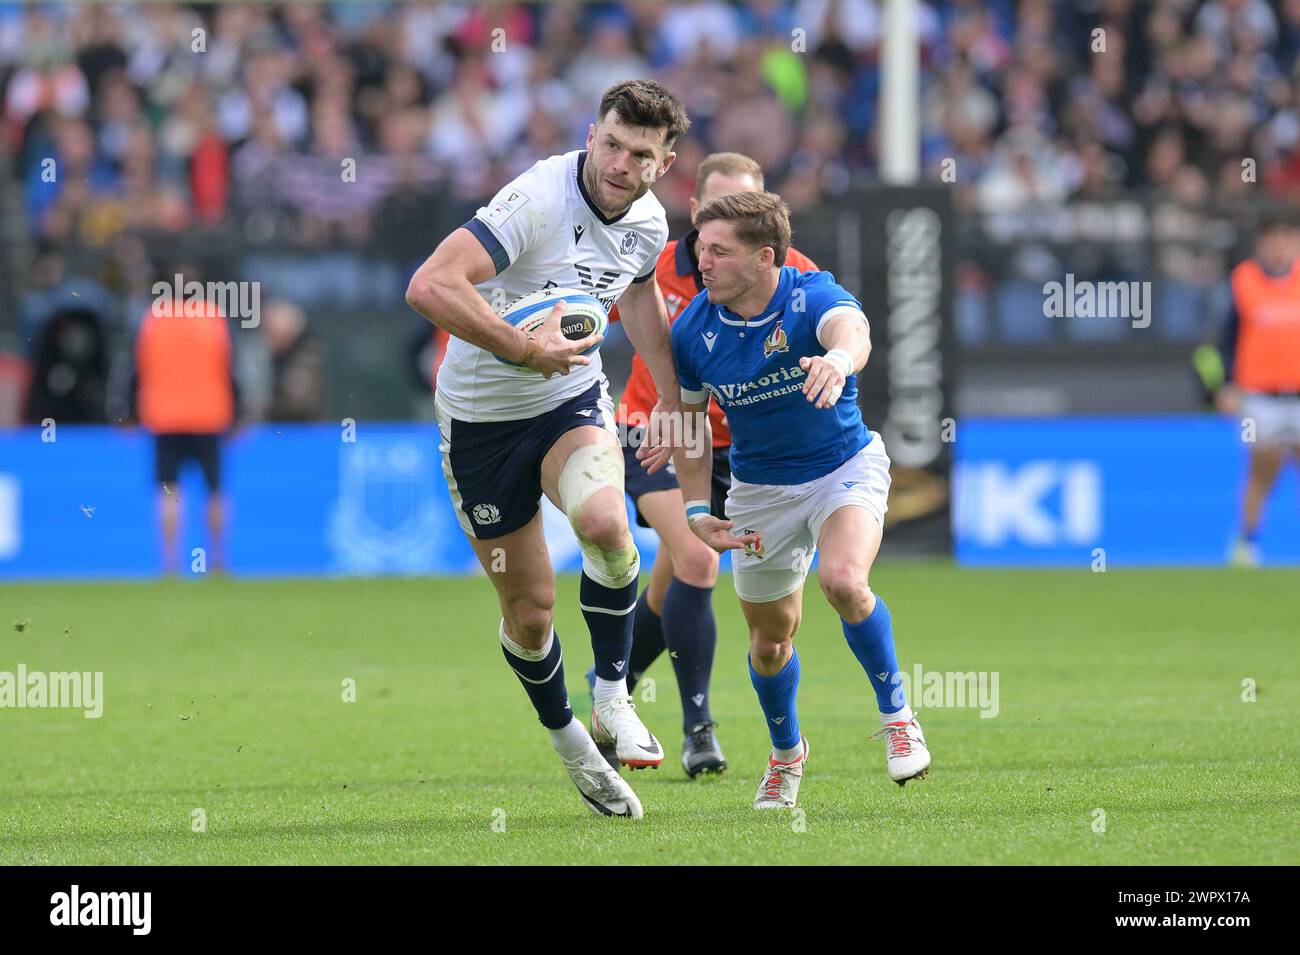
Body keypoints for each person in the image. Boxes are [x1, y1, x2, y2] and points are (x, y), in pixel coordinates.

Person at [405, 80, 690, 820]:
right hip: (479, 421)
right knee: (531, 614)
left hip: (569, 400)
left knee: (604, 525)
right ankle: (571, 741)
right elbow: (430, 285)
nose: (622, 164)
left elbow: (635, 294)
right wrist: (516, 347)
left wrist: (668, 392)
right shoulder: (538, 198)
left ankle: (612, 694)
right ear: (592, 135)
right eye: (613, 144)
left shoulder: (650, 223)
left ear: (663, 162)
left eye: (641, 154)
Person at [644, 191, 932, 810]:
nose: (704, 262)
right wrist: (697, 510)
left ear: (764, 257)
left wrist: (837, 359)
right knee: (771, 642)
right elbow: (691, 431)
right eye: (701, 249)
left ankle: (897, 716)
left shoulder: (809, 294)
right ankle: (786, 754)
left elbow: (852, 330)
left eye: (719, 251)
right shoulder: (693, 331)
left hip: (843, 468)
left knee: (844, 581)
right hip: (759, 491)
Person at [596, 152, 819, 778]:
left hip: (741, 450)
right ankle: (699, 728)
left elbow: (833, 334)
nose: (729, 219)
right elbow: (593, 311)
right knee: (698, 557)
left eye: (746, 206)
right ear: (692, 211)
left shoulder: (795, 276)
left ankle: (609, 688)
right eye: (716, 207)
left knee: (670, 585)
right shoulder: (654, 264)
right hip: (657, 431)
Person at [132, 262, 237, 575]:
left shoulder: (153, 320)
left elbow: (135, 370)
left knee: (168, 490)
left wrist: (127, 412)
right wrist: (239, 413)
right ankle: (218, 560)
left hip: (164, 417)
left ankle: (170, 563)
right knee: (215, 489)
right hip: (209, 415)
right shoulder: (213, 319)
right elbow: (231, 370)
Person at [1218, 213, 1300, 565]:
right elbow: (1227, 338)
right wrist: (1226, 384)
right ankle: (1246, 543)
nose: (1278, 246)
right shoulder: (1245, 281)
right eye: (1272, 238)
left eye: (1285, 237)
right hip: (1259, 395)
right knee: (1262, 466)